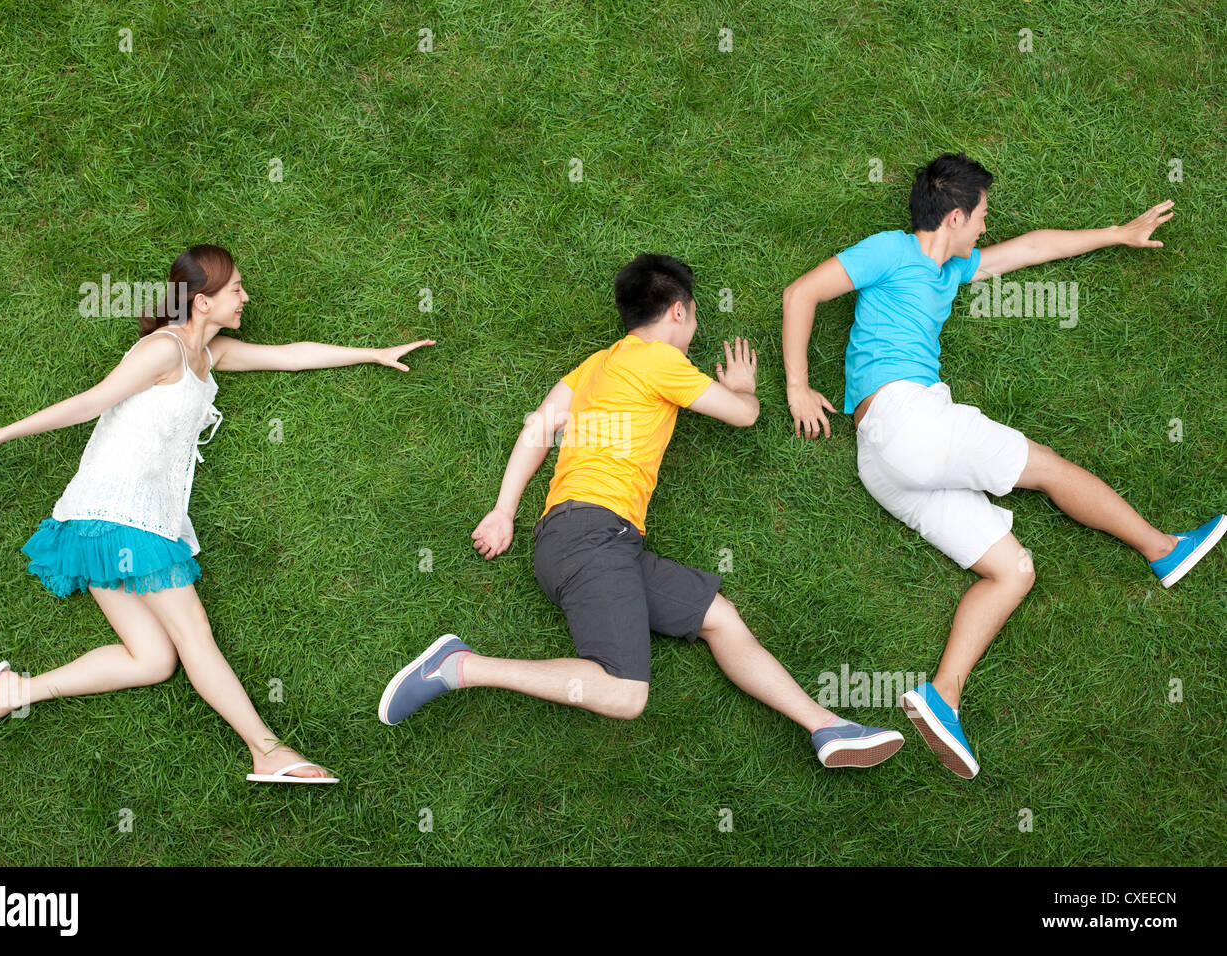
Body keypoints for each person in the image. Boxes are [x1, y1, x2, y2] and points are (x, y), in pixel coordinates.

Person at [780, 152, 1223, 778]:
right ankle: (1162, 548)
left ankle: (942, 697)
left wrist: (1117, 233)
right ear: (955, 215)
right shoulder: (891, 251)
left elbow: (1031, 249)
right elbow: (802, 292)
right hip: (909, 419)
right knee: (1049, 469)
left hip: (882, 464)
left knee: (1012, 570)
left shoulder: (951, 270)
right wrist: (798, 386)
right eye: (982, 215)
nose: (987, 227)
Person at [379, 253, 905, 769]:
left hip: (596, 540)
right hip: (592, 536)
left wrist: (504, 511)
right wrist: (742, 390)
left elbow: (539, 426)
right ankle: (462, 667)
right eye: (695, 314)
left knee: (718, 618)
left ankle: (825, 726)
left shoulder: (596, 364)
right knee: (626, 693)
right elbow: (742, 416)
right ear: (678, 312)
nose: (694, 327)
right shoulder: (661, 361)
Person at [0, 244, 435, 784]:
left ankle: (16, 691)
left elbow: (290, 354)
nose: (245, 298)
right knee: (194, 631)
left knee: (153, 660)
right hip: (117, 515)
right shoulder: (164, 350)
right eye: (235, 290)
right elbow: (90, 402)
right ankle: (266, 750)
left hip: (116, 519)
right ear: (201, 301)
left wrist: (372, 353)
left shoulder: (211, 354)